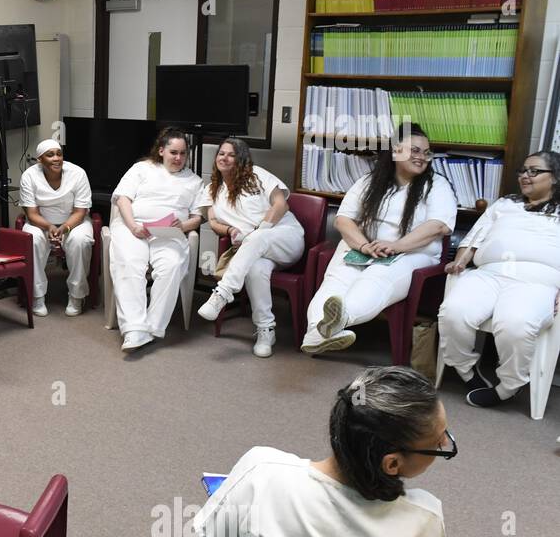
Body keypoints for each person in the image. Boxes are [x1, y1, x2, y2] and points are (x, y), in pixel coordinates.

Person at [195, 366, 452, 537]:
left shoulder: (260, 474)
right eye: (439, 442)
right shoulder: (425, 520)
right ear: (392, 463)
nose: (444, 443)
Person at [302, 123, 456, 354]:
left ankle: (325, 329)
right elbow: (343, 219)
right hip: (363, 247)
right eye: (414, 150)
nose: (422, 157)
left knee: (375, 278)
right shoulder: (370, 181)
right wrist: (363, 245)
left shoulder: (437, 185)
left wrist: (395, 246)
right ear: (395, 152)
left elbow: (438, 226)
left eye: (426, 153)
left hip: (412, 253)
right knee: (336, 282)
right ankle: (318, 331)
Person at [438, 151, 560, 408]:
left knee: (516, 323)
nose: (525, 176)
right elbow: (473, 238)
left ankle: (507, 387)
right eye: (523, 170)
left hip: (536, 281)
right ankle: (466, 371)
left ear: (555, 178)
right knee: (454, 311)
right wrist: (460, 261)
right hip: (489, 273)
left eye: (535, 171)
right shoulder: (504, 205)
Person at [195, 137, 305, 357]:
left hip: (286, 238)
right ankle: (266, 329)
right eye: (221, 153)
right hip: (254, 250)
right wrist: (229, 231)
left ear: (240, 159)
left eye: (231, 154)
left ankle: (223, 292)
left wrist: (260, 230)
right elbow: (214, 222)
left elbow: (281, 204)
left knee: (256, 239)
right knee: (255, 270)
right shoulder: (212, 190)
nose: (224, 158)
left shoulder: (256, 175)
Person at [108, 127, 204, 352]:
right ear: (161, 151)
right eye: (173, 152)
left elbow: (197, 218)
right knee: (130, 263)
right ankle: (133, 329)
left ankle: (151, 327)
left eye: (183, 153)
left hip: (168, 233)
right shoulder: (142, 168)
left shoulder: (194, 181)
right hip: (133, 226)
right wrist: (133, 226)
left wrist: (182, 226)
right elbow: (123, 199)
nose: (178, 158)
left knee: (171, 266)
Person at [19, 138, 94, 317]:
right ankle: (37, 295)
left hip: (73, 222)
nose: (56, 158)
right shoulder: (29, 176)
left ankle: (76, 296)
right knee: (33, 241)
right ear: (39, 160)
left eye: (59, 154)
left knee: (80, 241)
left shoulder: (78, 173)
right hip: (41, 223)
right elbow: (31, 213)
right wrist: (50, 226)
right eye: (50, 155)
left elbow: (80, 211)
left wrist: (64, 228)